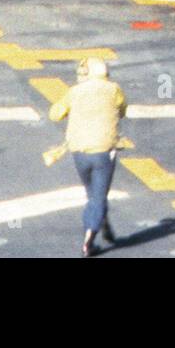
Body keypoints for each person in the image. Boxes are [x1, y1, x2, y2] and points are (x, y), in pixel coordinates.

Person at [49, 57, 127, 256]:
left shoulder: (75, 92)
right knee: (99, 196)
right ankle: (89, 241)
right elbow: (122, 109)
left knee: (93, 194)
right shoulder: (113, 89)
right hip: (104, 150)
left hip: (79, 151)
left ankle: (104, 223)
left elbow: (55, 114)